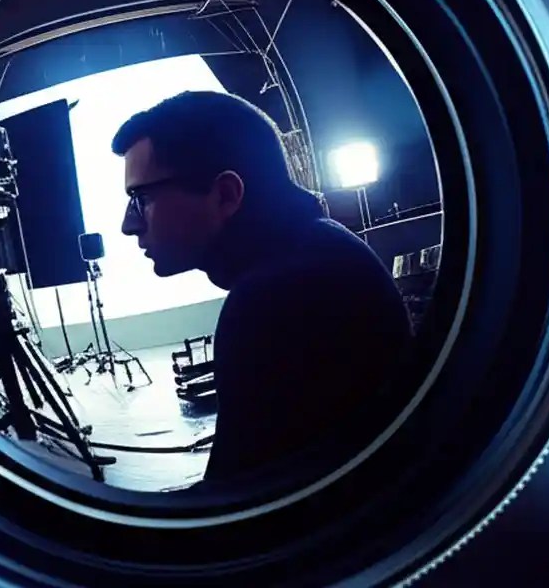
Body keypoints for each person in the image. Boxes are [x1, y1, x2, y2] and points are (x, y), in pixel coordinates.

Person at [111, 90, 413, 490]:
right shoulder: (314, 251)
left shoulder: (275, 298)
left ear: (226, 195)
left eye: (141, 198)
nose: (128, 225)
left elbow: (234, 515)